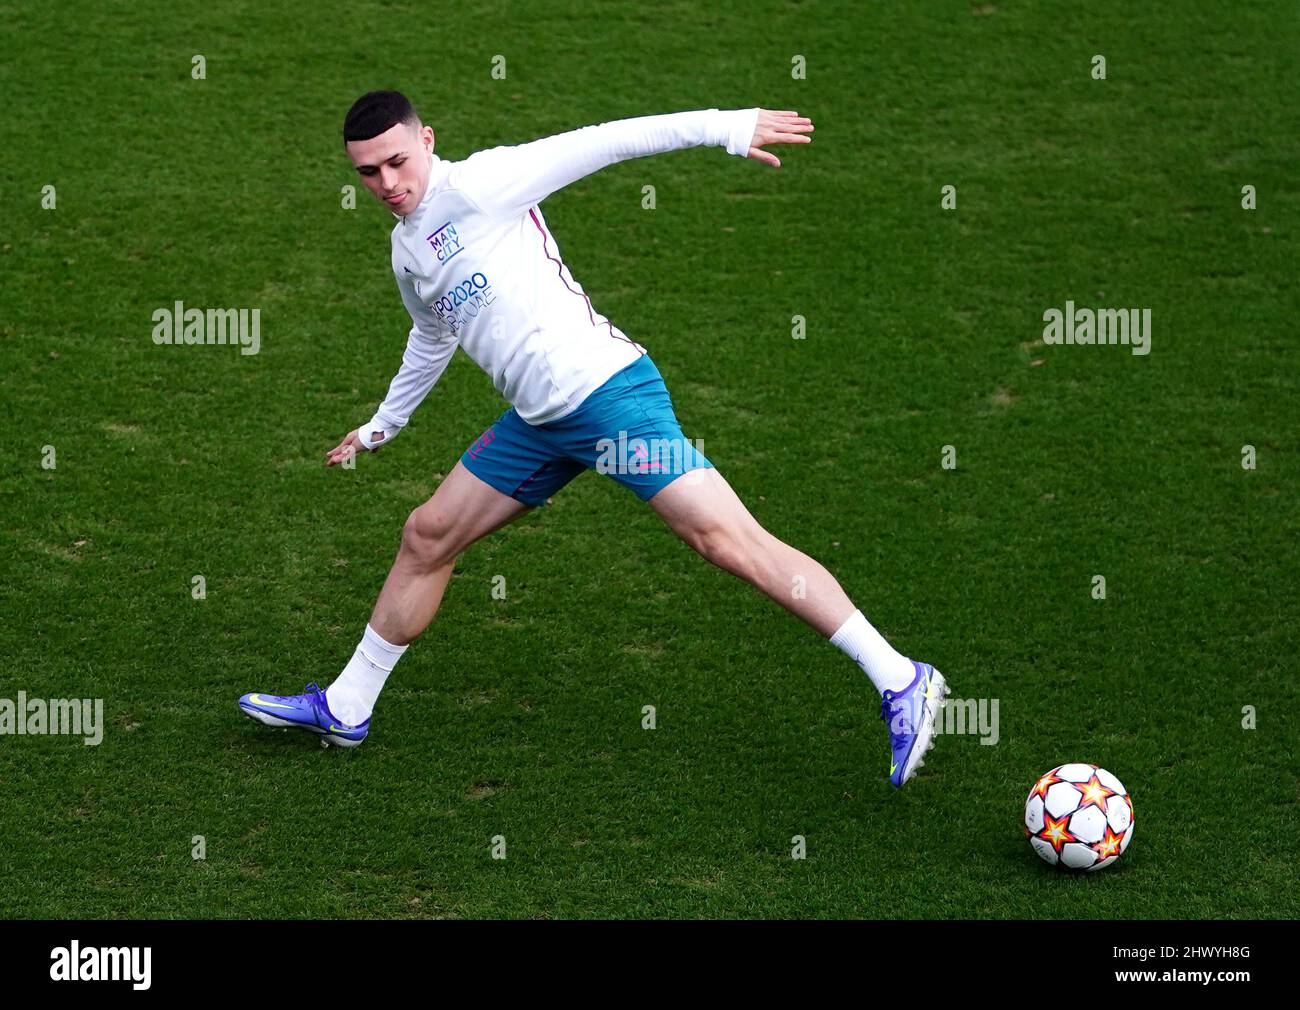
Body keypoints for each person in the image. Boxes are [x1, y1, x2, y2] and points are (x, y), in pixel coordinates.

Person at [239, 91, 948, 787]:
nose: (387, 184)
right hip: (539, 425)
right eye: (368, 173)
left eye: (396, 162)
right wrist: (381, 424)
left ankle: (901, 678)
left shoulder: (484, 182)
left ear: (426, 140)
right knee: (428, 534)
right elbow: (432, 336)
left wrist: (725, 127)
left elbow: (604, 141)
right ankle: (347, 706)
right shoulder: (406, 251)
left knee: (726, 541)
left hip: (610, 401)